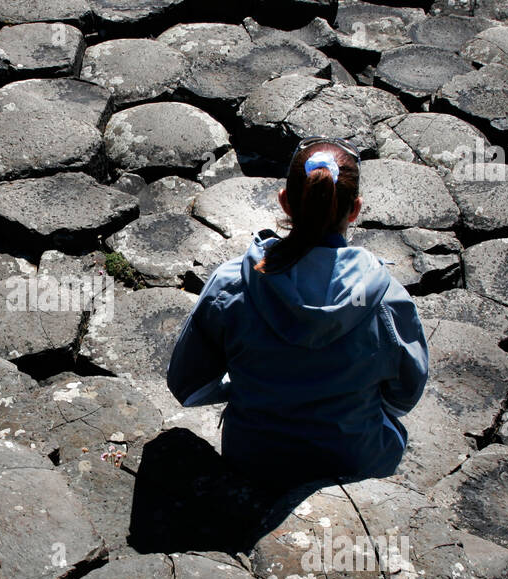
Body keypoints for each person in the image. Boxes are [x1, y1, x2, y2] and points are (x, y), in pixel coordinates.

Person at [166, 137, 429, 484]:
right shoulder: (387, 299)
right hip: (355, 466)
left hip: (253, 460)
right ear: (355, 210)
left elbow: (188, 385)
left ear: (285, 202)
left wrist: (245, 382)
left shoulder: (231, 285)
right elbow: (402, 399)